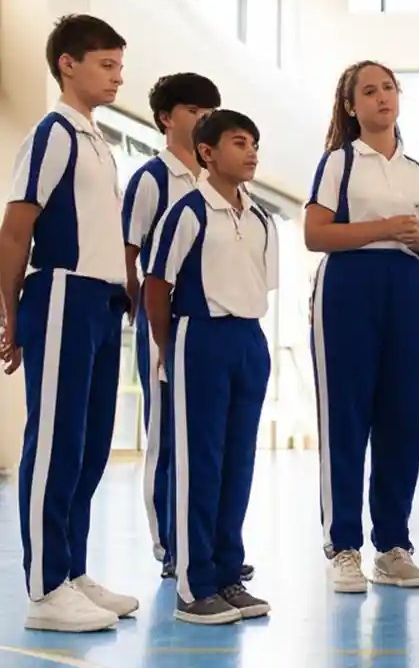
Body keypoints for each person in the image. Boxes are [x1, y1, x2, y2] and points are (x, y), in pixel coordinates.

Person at [0, 14, 138, 633]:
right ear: (68, 65)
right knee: (53, 444)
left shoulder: (96, 140)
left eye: (119, 65)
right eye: (105, 65)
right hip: (59, 295)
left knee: (87, 449)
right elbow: (16, 226)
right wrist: (7, 312)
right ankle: (43, 590)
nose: (117, 76)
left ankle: (73, 570)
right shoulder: (53, 131)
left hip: (101, 306)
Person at [306, 60, 419, 593]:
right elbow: (316, 235)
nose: (382, 97)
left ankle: (392, 545)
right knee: (347, 417)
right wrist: (385, 227)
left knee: (403, 419)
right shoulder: (339, 162)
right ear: (351, 105)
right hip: (349, 288)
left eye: (388, 88)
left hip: (406, 290)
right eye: (370, 90)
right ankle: (343, 546)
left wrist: (418, 240)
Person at [146, 109, 275, 625]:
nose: (251, 152)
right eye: (240, 142)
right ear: (207, 152)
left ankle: (225, 574)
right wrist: (169, 346)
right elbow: (158, 286)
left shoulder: (261, 216)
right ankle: (193, 584)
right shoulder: (188, 212)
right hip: (199, 335)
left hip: (249, 339)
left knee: (238, 464)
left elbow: (259, 285)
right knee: (199, 462)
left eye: (255, 144)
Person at [121, 72, 250, 582]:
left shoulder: (216, 186)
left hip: (212, 337)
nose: (203, 118)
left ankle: (208, 546)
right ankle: (170, 545)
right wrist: (152, 332)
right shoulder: (153, 179)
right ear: (166, 119)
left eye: (209, 110)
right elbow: (131, 256)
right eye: (192, 110)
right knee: (166, 441)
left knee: (211, 443)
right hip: (166, 328)